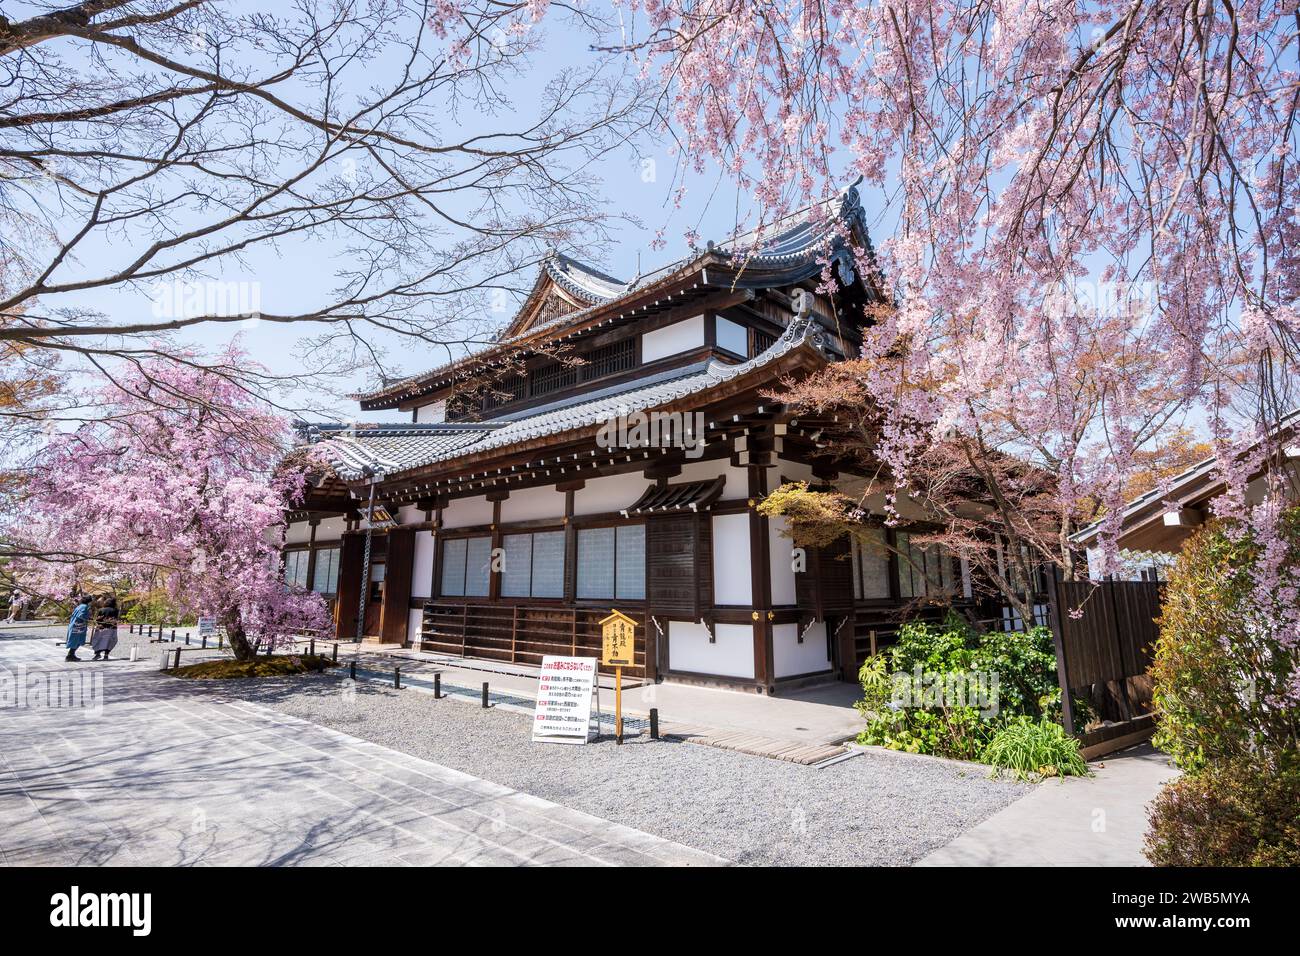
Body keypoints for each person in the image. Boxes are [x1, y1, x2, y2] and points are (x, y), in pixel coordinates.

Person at [90, 595, 119, 661]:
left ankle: (97, 654)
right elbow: (116, 619)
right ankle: (106, 655)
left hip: (101, 628)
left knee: (99, 640)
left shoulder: (101, 610)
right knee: (109, 641)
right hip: (112, 628)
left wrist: (97, 625)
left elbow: (97, 619)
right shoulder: (116, 610)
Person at [65, 595, 92, 662]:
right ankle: (70, 655)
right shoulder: (85, 607)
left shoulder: (79, 606)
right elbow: (81, 616)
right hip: (78, 627)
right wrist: (87, 618)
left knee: (75, 641)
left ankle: (71, 655)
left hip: (74, 625)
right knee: (77, 641)